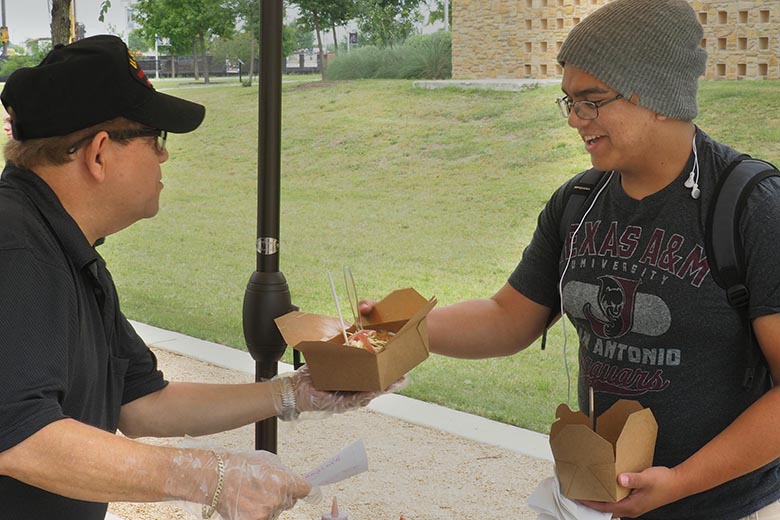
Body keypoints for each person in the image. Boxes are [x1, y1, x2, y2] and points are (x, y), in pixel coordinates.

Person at [363, 1, 780, 518]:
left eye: (591, 101)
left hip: (727, 506)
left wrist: (678, 483)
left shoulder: (752, 206)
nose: (575, 121)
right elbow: (508, 318)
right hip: (596, 497)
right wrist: (398, 328)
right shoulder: (578, 201)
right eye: (569, 103)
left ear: (654, 94)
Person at [0, 35, 400, 520]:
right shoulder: (16, 249)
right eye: (156, 139)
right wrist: (209, 477)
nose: (164, 157)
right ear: (99, 154)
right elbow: (20, 437)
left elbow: (143, 403)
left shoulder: (64, 246)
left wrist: (292, 393)